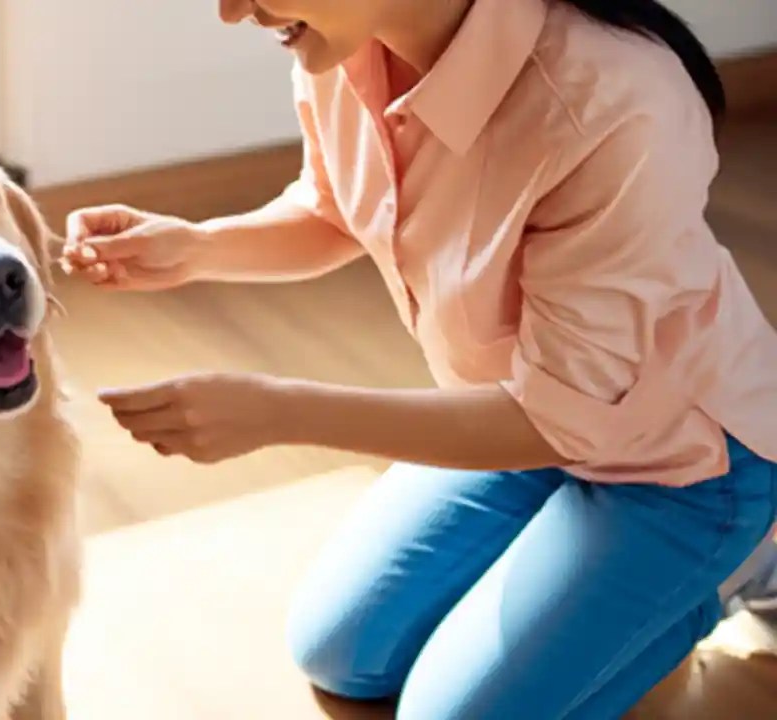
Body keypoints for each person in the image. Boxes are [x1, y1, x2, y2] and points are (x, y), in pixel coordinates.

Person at [60, 0, 777, 717]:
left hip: (685, 463)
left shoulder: (612, 100)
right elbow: (335, 208)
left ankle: (742, 563)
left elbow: (563, 413)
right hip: (520, 420)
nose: (230, 10)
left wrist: (277, 410)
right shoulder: (342, 43)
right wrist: (194, 247)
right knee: (340, 650)